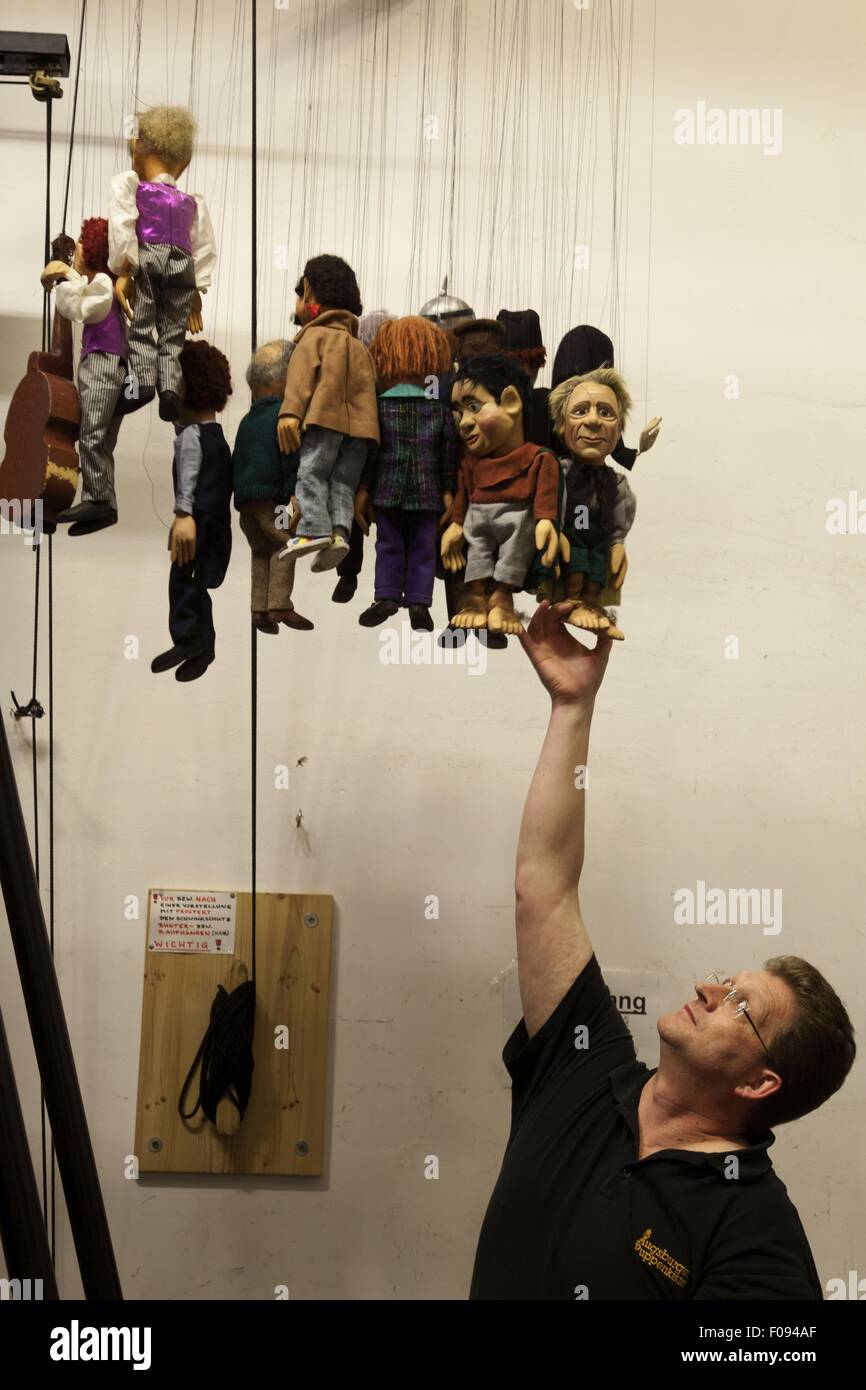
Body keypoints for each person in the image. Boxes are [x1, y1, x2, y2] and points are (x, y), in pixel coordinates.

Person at [469, 604, 855, 1299]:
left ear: (759, 1084)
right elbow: (544, 888)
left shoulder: (758, 1235)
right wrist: (572, 706)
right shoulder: (585, 1063)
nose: (709, 990)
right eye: (724, 979)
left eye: (740, 1004)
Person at [151, 341, 233, 682]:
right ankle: (205, 644)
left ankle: (186, 637)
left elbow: (188, 477)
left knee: (182, 578)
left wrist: (183, 515)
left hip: (195, 520)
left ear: (185, 389)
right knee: (198, 584)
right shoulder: (217, 436)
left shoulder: (191, 438)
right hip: (218, 525)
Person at [233, 340, 313, 633]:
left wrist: (240, 494)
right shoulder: (284, 417)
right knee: (285, 543)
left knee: (260, 550)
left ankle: (259, 609)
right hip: (275, 497)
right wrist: (294, 491)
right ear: (286, 379)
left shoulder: (246, 421)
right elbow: (289, 456)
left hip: (246, 501)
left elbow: (237, 459)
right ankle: (279, 603)